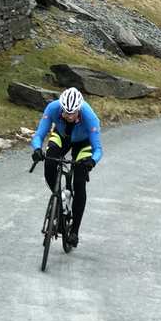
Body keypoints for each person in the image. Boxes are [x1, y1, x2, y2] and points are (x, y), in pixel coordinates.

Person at [31, 87, 102, 247]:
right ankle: (58, 199)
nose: (69, 116)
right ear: (61, 107)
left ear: (79, 109)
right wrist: (37, 149)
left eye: (73, 113)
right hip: (61, 136)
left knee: (79, 182)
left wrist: (92, 161)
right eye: (65, 112)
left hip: (83, 143)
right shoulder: (52, 108)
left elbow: (98, 149)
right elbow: (39, 135)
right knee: (49, 164)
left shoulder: (90, 117)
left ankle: (74, 231)